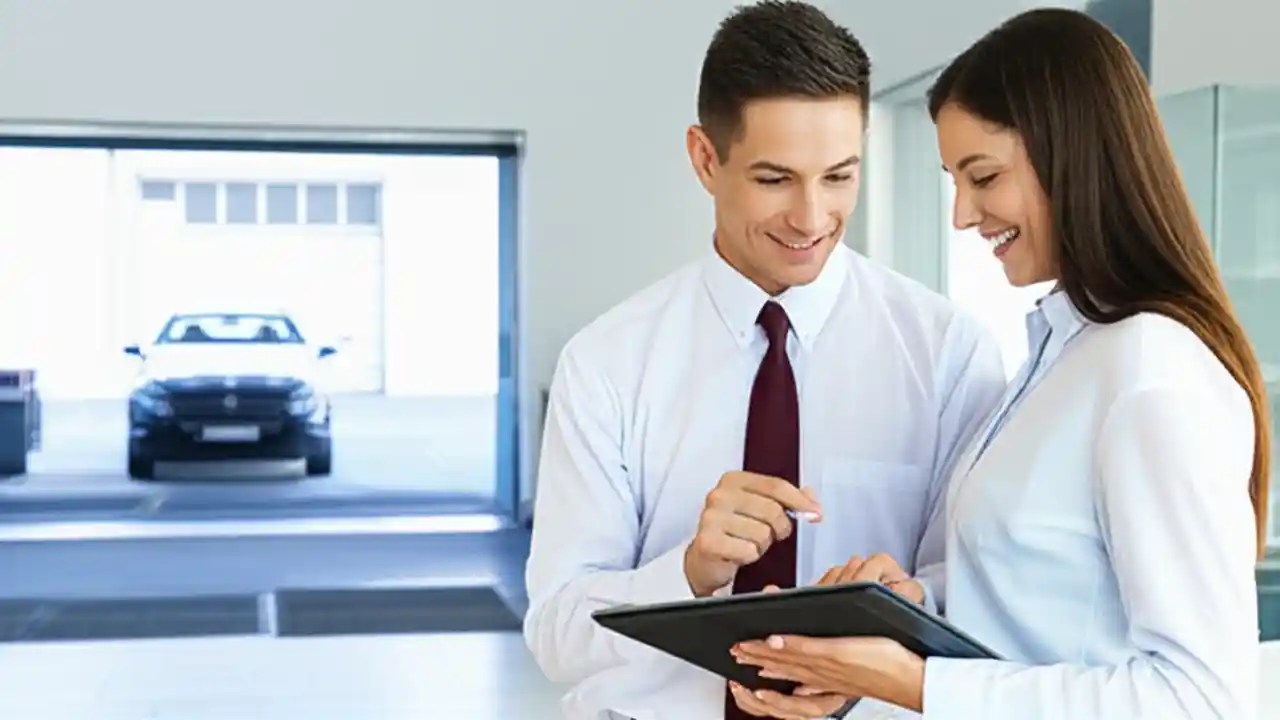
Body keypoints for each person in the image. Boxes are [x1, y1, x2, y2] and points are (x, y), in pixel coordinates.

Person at [733, 8, 1269, 719]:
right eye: (955, 180)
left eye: (983, 176)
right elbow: (1046, 600)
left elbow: (1201, 698)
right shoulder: (1062, 357)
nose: (962, 214)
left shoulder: (1152, 374)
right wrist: (918, 604)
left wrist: (915, 683)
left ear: (1072, 155)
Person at [522, 2, 1007, 719]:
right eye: (775, 179)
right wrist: (688, 572)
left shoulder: (949, 354)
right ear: (705, 159)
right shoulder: (607, 363)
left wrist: (901, 618)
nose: (811, 218)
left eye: (838, 177)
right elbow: (557, 636)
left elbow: (983, 601)